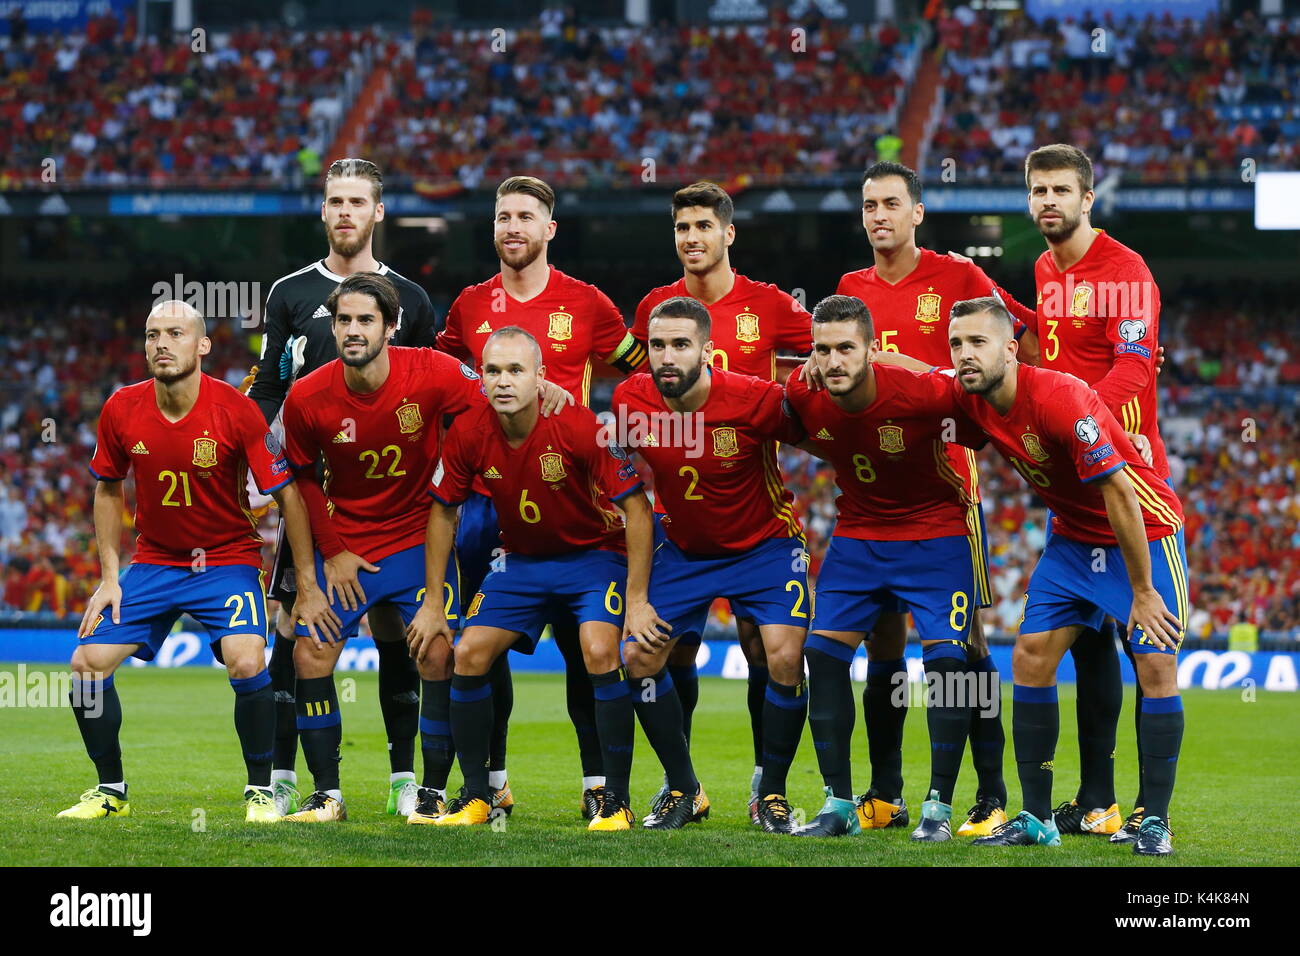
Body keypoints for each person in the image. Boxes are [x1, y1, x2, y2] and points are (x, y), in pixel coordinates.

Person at [59, 300, 335, 823]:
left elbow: (288, 496)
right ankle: (109, 788)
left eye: (175, 334)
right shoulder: (121, 408)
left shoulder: (235, 410)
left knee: (247, 660)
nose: (161, 344)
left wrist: (305, 580)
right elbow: (107, 489)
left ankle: (259, 791)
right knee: (84, 667)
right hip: (155, 563)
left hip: (227, 560)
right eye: (152, 335)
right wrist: (109, 578)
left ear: (201, 345)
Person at [829, 161, 1035, 835]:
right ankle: (884, 792)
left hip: (946, 492)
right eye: (869, 205)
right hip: (870, 498)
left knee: (965, 651)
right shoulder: (850, 289)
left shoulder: (959, 279)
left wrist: (930, 371)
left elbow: (1024, 337)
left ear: (917, 212)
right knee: (884, 649)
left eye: (892, 204)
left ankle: (991, 791)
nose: (879, 215)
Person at [436, 175, 647, 819]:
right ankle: (490, 784)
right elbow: (447, 376)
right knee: (481, 645)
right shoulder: (469, 307)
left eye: (527, 216)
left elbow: (645, 373)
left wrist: (619, 434)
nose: (513, 227)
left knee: (588, 657)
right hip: (488, 507)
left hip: (572, 501)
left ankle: (598, 789)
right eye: (503, 216)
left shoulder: (587, 305)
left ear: (550, 228)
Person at [948, 297, 1186, 856]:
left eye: (977, 342)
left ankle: (1155, 820)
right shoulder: (970, 394)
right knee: (1030, 655)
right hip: (1074, 538)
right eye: (956, 343)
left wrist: (1143, 590)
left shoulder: (1061, 397)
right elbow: (907, 375)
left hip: (1144, 529)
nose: (964, 354)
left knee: (1154, 664)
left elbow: (1121, 492)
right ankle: (1035, 817)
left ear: (1010, 349)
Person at [246, 157, 438, 819]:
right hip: (309, 496)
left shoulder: (410, 300)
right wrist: (255, 467)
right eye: (336, 202)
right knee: (291, 635)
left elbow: (435, 396)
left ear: (379, 212)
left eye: (359, 201)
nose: (347, 212)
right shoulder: (290, 293)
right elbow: (267, 385)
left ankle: (401, 778)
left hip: (391, 503)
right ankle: (282, 779)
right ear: (323, 211)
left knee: (399, 634)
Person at [274, 273, 499, 823]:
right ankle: (327, 793)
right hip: (346, 545)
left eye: (365, 320)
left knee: (436, 649)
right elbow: (301, 482)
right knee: (309, 652)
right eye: (343, 320)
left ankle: (432, 790)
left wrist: (456, 474)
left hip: (419, 541)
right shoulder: (307, 394)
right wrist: (330, 555)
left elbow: (489, 407)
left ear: (391, 327)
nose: (352, 330)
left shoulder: (434, 370)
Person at [420, 327, 654, 831]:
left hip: (593, 555)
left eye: (516, 370)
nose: (503, 381)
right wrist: (434, 604)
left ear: (541, 377)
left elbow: (637, 507)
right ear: (480, 377)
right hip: (520, 562)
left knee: (597, 650)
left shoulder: (579, 425)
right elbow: (442, 513)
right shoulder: (467, 432)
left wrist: (636, 600)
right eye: (493, 371)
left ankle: (615, 800)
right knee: (468, 652)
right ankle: (478, 797)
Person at [632, 181, 812, 820]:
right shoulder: (656, 307)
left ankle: (769, 784)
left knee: (768, 648)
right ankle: (683, 786)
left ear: (728, 233)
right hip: (684, 521)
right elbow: (639, 396)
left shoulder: (769, 306)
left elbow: (828, 357)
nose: (691, 238)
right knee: (669, 649)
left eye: (703, 226)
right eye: (681, 228)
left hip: (755, 503)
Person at [786, 295, 989, 840]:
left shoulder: (924, 392)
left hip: (936, 534)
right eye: (822, 350)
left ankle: (939, 809)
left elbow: (987, 408)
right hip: (858, 537)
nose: (833, 362)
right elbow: (795, 428)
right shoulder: (803, 396)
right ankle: (838, 805)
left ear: (872, 350)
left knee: (952, 667)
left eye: (846, 349)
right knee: (822, 655)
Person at [1018, 144, 1171, 843]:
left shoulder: (1127, 270)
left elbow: (1134, 370)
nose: (1048, 200)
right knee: (1081, 645)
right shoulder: (1048, 269)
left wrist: (1083, 432)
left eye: (1061, 190)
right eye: (1037, 190)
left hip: (1128, 483)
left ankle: (1151, 813)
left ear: (1087, 199)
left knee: (1151, 653)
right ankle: (1096, 800)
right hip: (1073, 500)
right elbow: (1057, 355)